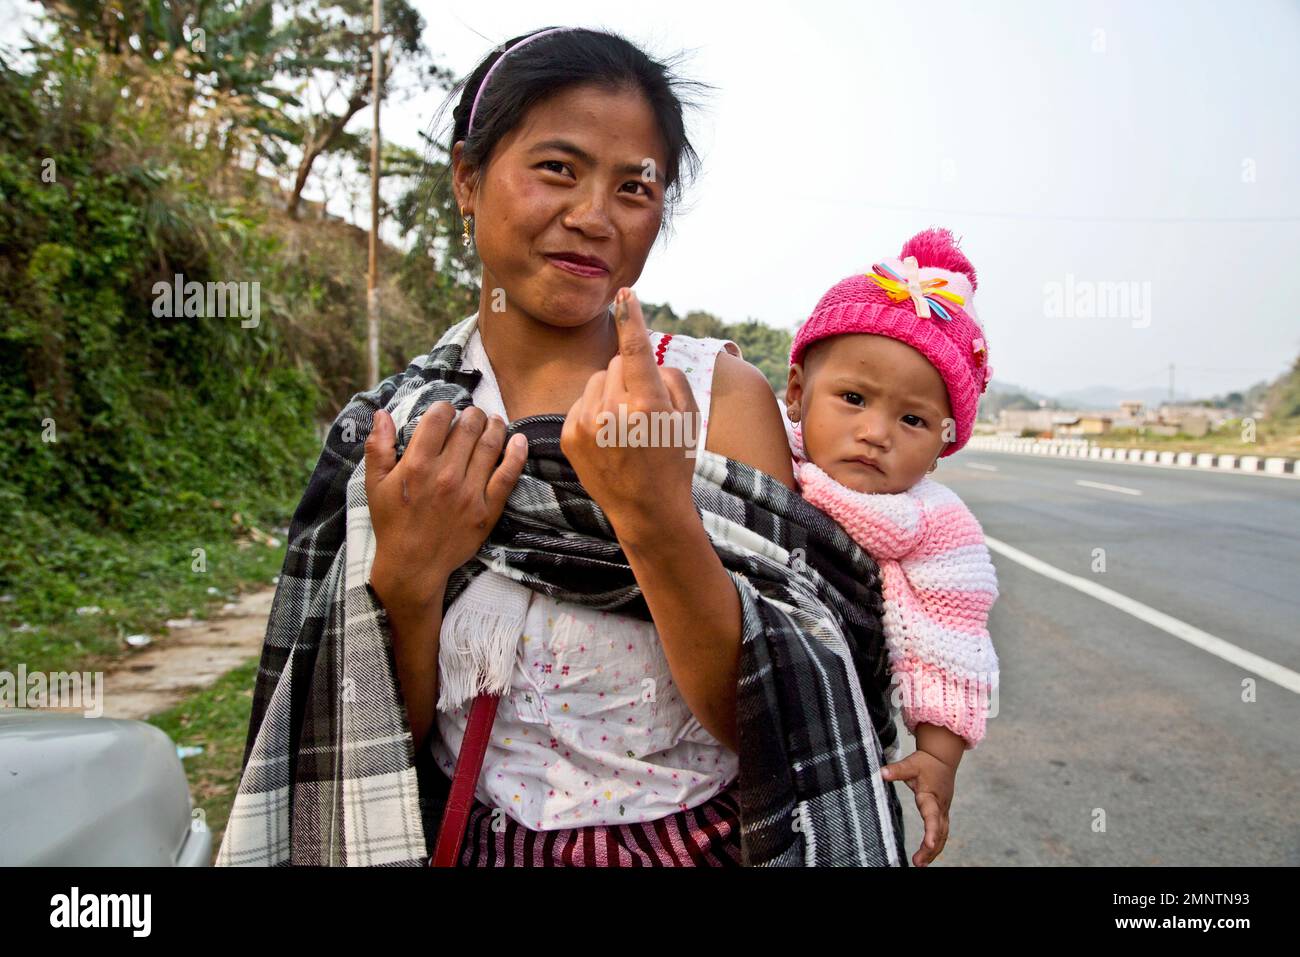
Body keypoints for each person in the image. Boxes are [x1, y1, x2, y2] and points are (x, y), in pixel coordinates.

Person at [218, 25, 908, 868]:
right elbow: (367, 737)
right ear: (467, 179)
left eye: (634, 187)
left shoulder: (717, 400)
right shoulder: (406, 427)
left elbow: (780, 721)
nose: (591, 218)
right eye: (557, 169)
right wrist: (407, 577)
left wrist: (654, 514)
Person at [782, 227, 1002, 866]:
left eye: (913, 420)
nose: (876, 432)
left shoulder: (934, 526)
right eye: (852, 399)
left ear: (942, 442)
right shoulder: (757, 452)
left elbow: (951, 639)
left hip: (835, 738)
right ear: (797, 393)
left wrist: (937, 756)